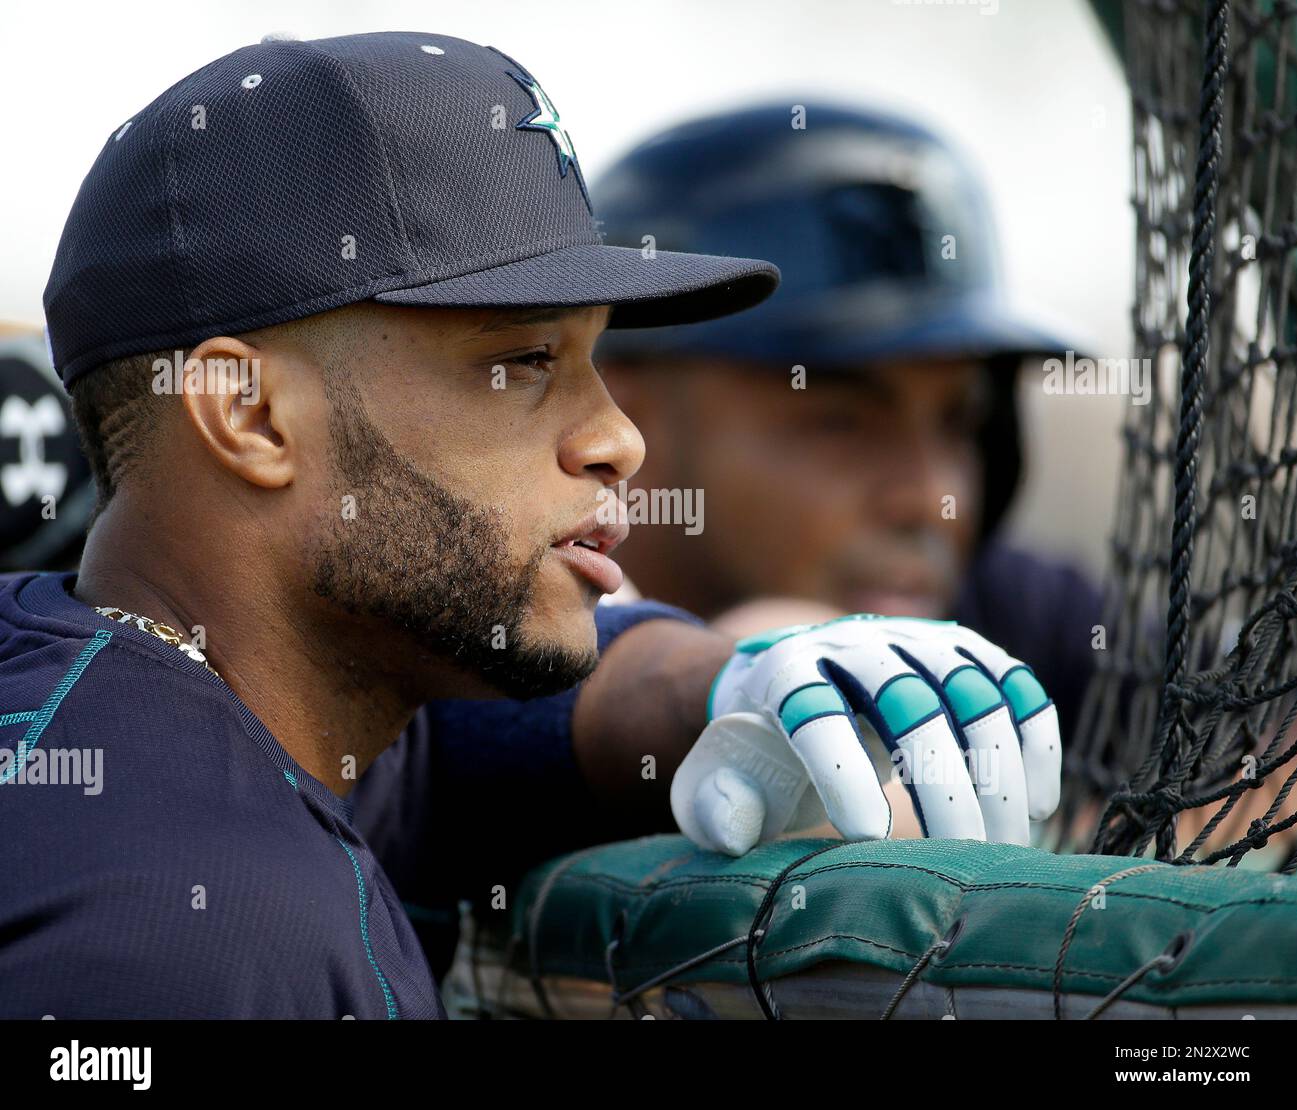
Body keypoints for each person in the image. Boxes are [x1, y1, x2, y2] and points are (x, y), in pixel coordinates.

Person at [0, 33, 1059, 1018]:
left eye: (594, 358)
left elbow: (464, 752)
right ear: (253, 414)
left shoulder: (203, 699)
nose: (616, 438)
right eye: (522, 363)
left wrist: (718, 685)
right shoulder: (189, 935)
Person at [590, 103, 1104, 747]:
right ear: (621, 418)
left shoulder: (1005, 611)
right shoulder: (499, 650)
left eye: (959, 420)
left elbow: (1262, 751)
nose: (929, 499)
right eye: (840, 422)